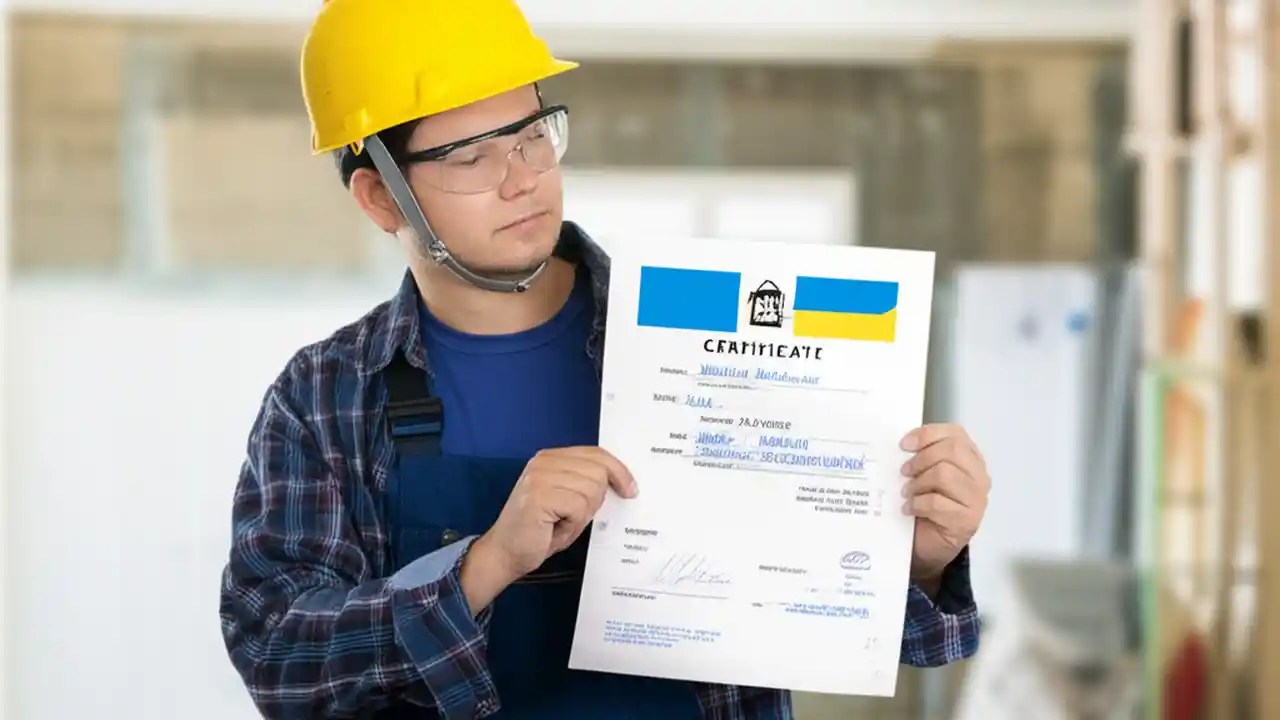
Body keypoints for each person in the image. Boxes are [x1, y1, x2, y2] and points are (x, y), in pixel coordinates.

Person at [217, 0, 991, 718]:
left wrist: (915, 562)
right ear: (381, 199)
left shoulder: (708, 344)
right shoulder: (323, 397)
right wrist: (483, 565)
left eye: (530, 135)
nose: (524, 179)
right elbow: (280, 659)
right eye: (471, 158)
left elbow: (889, 637)